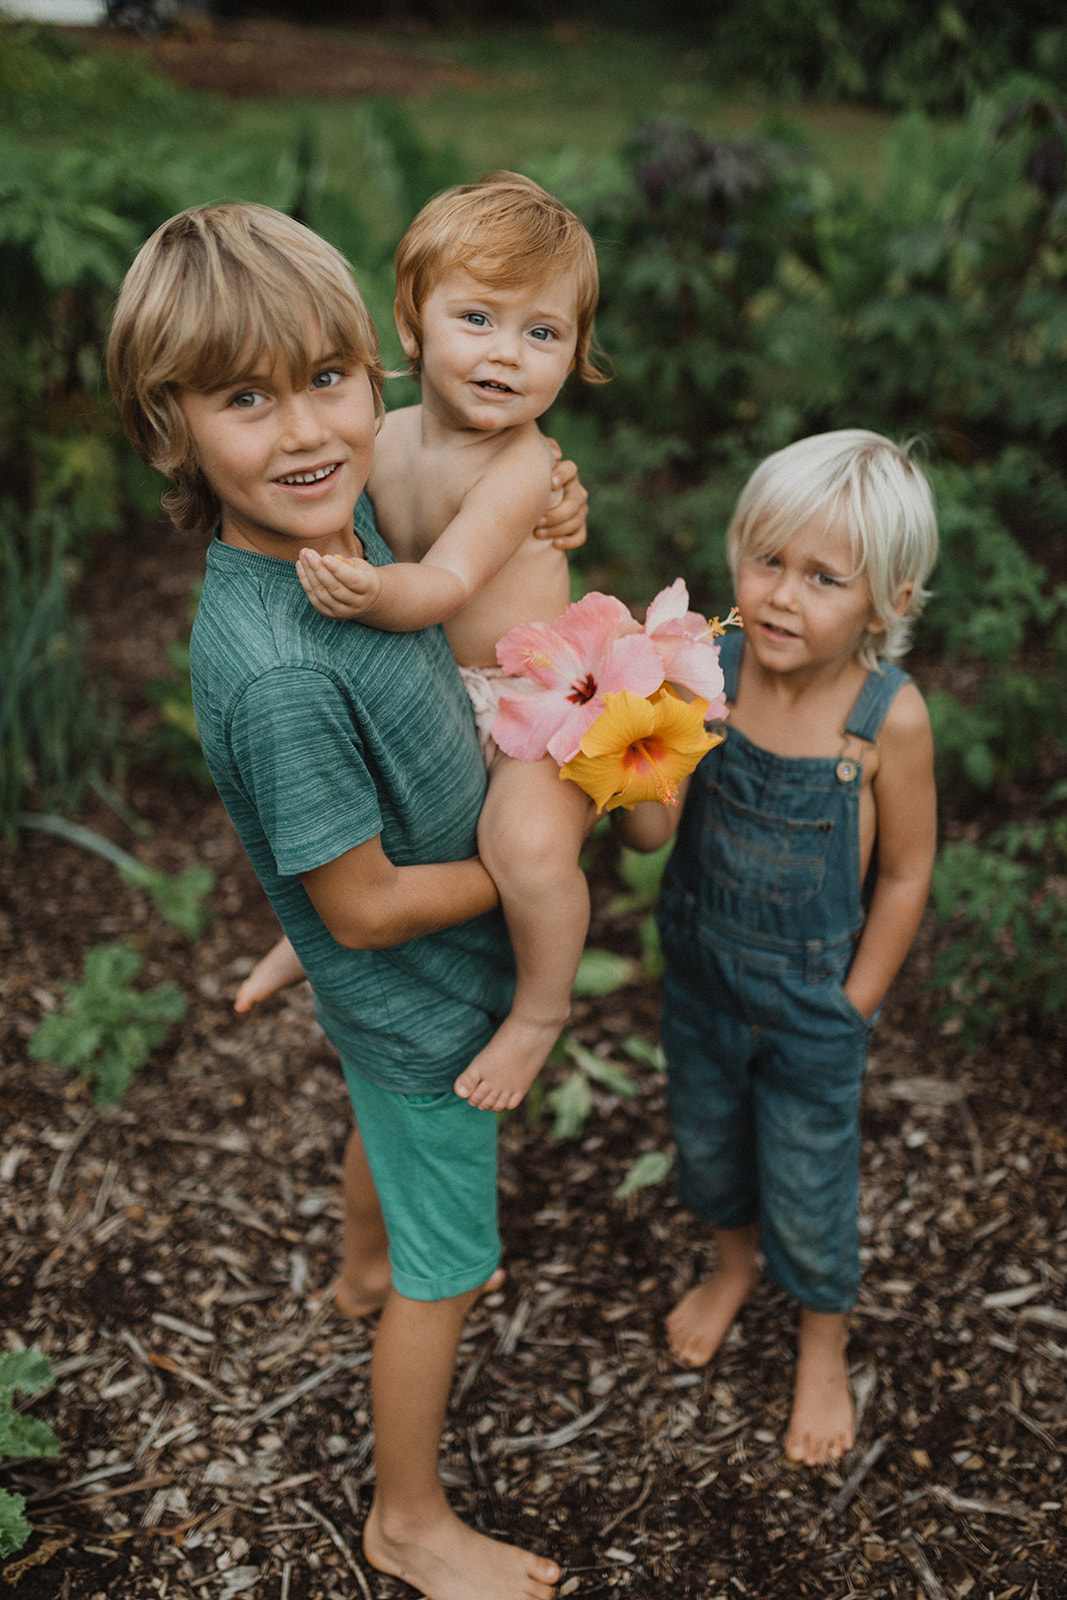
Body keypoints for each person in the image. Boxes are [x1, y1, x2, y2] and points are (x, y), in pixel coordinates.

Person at [106, 200, 568, 1600]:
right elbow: (361, 909)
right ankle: (406, 1518)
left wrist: (542, 504)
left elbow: (461, 488)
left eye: (326, 377)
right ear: (173, 425)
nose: (307, 430)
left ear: (376, 372)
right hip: (423, 999)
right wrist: (523, 873)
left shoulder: (328, 527)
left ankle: (359, 1269)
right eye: (246, 399)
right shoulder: (279, 669)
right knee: (451, 1268)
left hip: (391, 994)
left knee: (379, 1128)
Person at [239, 173, 608, 1115]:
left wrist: (371, 591)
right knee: (341, 807)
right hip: (432, 681)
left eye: (542, 333)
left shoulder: (524, 464)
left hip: (526, 703)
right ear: (411, 328)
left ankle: (540, 1011)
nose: (507, 353)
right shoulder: (384, 434)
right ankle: (314, 936)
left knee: (527, 848)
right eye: (477, 318)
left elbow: (445, 582)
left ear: (574, 356)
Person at [615, 430, 939, 1467]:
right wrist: (626, 750)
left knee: (807, 1182)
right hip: (699, 976)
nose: (781, 595)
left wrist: (855, 1003)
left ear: (885, 602)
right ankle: (730, 1265)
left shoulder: (885, 720)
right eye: (766, 560)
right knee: (707, 1148)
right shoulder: (706, 673)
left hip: (811, 1008)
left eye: (822, 577)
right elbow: (650, 836)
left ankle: (820, 1339)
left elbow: (905, 872)